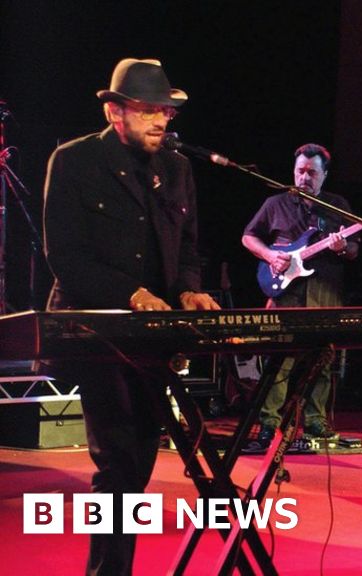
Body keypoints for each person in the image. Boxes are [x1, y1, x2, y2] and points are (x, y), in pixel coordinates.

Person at [43, 58, 221, 575]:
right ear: (114, 110)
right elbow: (66, 255)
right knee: (118, 455)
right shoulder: (74, 160)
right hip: (95, 329)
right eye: (148, 111)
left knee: (139, 457)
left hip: (154, 338)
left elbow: (188, 251)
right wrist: (132, 292)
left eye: (165, 111)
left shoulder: (177, 167)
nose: (161, 121)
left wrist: (189, 291)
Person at [242, 143, 358, 449]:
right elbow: (248, 236)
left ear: (325, 175)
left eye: (312, 172)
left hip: (325, 291)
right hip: (287, 293)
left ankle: (315, 420)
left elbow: (355, 249)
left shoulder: (337, 206)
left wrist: (342, 246)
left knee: (323, 357)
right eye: (300, 171)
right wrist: (269, 255)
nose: (304, 178)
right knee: (281, 359)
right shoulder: (275, 203)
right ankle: (269, 422)